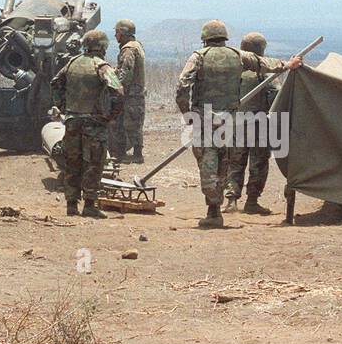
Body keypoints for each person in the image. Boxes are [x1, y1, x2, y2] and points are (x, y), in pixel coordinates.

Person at [175, 21, 300, 228]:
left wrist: (187, 114)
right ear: (224, 37)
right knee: (225, 163)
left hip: (205, 121)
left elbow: (182, 86)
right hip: (230, 122)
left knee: (209, 163)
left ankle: (215, 210)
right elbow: (266, 64)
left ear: (205, 38)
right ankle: (222, 208)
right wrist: (289, 64)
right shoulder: (238, 56)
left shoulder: (198, 57)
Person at [50, 29, 123, 218]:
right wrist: (110, 116)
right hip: (94, 123)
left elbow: (55, 83)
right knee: (94, 162)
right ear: (103, 46)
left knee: (72, 162)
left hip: (73, 121)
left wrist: (64, 107)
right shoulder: (101, 66)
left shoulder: (72, 63)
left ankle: (71, 205)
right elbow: (118, 91)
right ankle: (89, 205)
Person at [224, 32, 277, 215]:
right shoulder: (263, 73)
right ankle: (252, 201)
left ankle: (231, 200)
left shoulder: (233, 72)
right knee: (259, 163)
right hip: (259, 126)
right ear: (261, 50)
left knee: (235, 162)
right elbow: (274, 98)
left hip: (235, 125)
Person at [108, 19, 146, 163]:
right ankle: (136, 153)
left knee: (127, 123)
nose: (115, 36)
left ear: (123, 33)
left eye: (117, 32)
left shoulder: (128, 49)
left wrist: (113, 85)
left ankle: (130, 155)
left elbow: (125, 74)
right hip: (136, 92)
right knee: (135, 122)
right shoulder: (137, 45)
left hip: (131, 93)